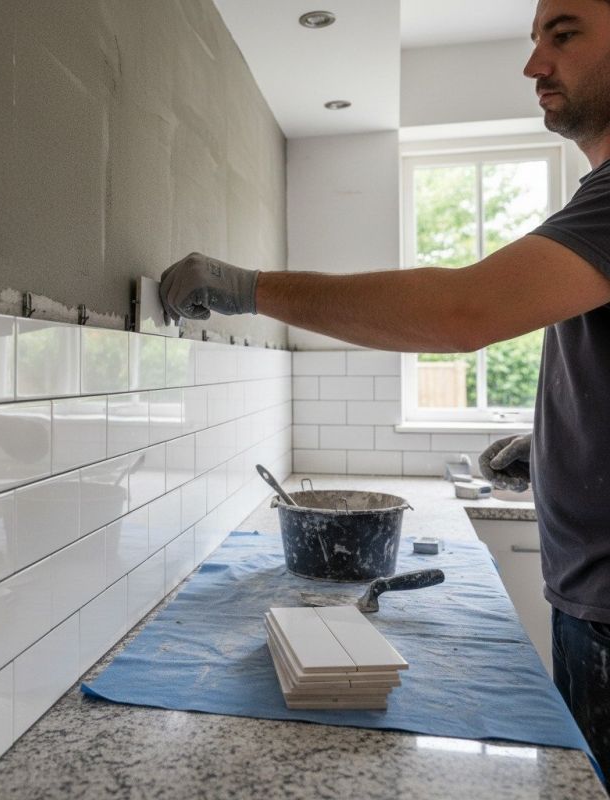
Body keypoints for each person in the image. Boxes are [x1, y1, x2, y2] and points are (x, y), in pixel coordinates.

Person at [159, 0, 610, 780]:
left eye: (563, 36)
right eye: (536, 39)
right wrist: (560, 447)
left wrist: (252, 288)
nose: (535, 65)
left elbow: (463, 310)